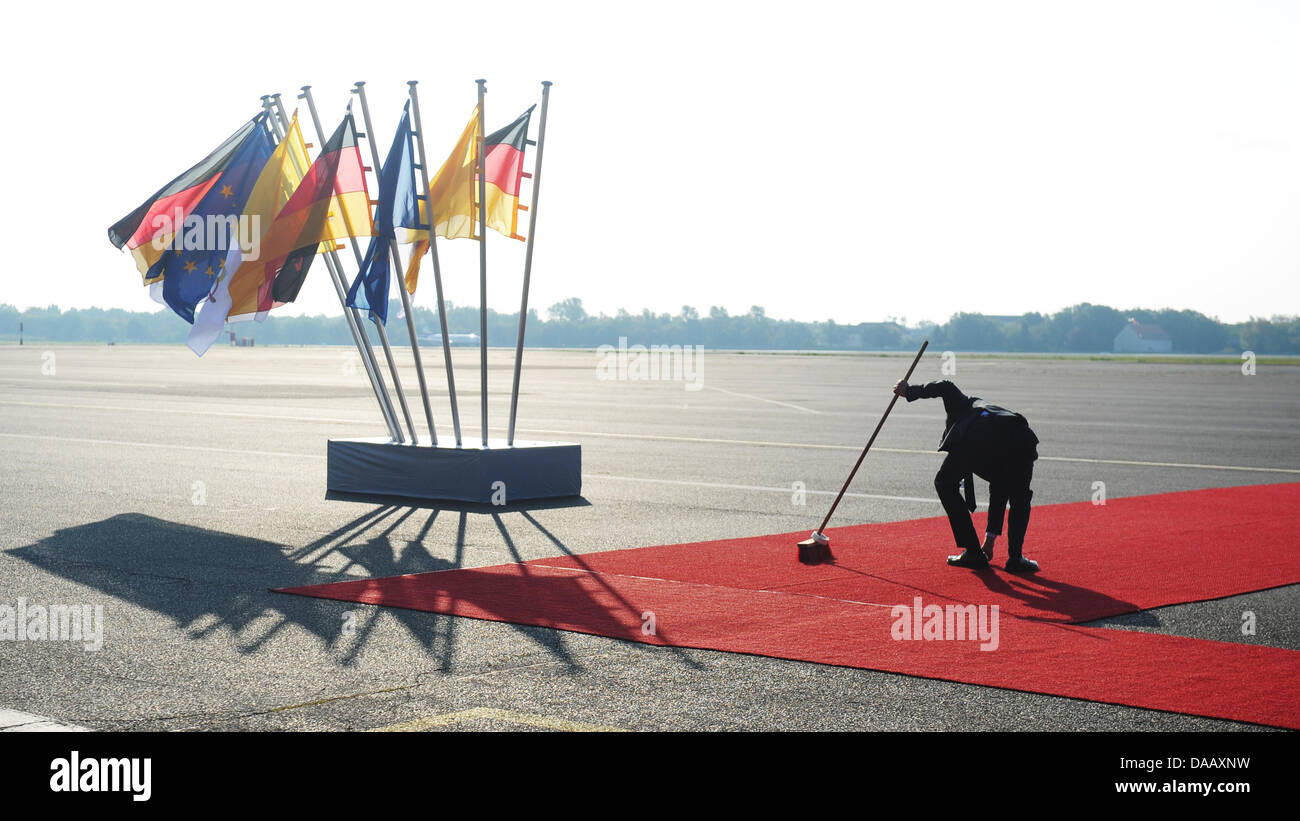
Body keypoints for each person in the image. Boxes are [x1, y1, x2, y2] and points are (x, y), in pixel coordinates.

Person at [893, 379, 1040, 571]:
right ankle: (1015, 559)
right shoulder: (983, 410)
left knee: (944, 483)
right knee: (1018, 497)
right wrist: (989, 541)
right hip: (1022, 440)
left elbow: (945, 385)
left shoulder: (963, 407)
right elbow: (998, 488)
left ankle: (973, 553)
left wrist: (909, 391)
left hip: (981, 437)